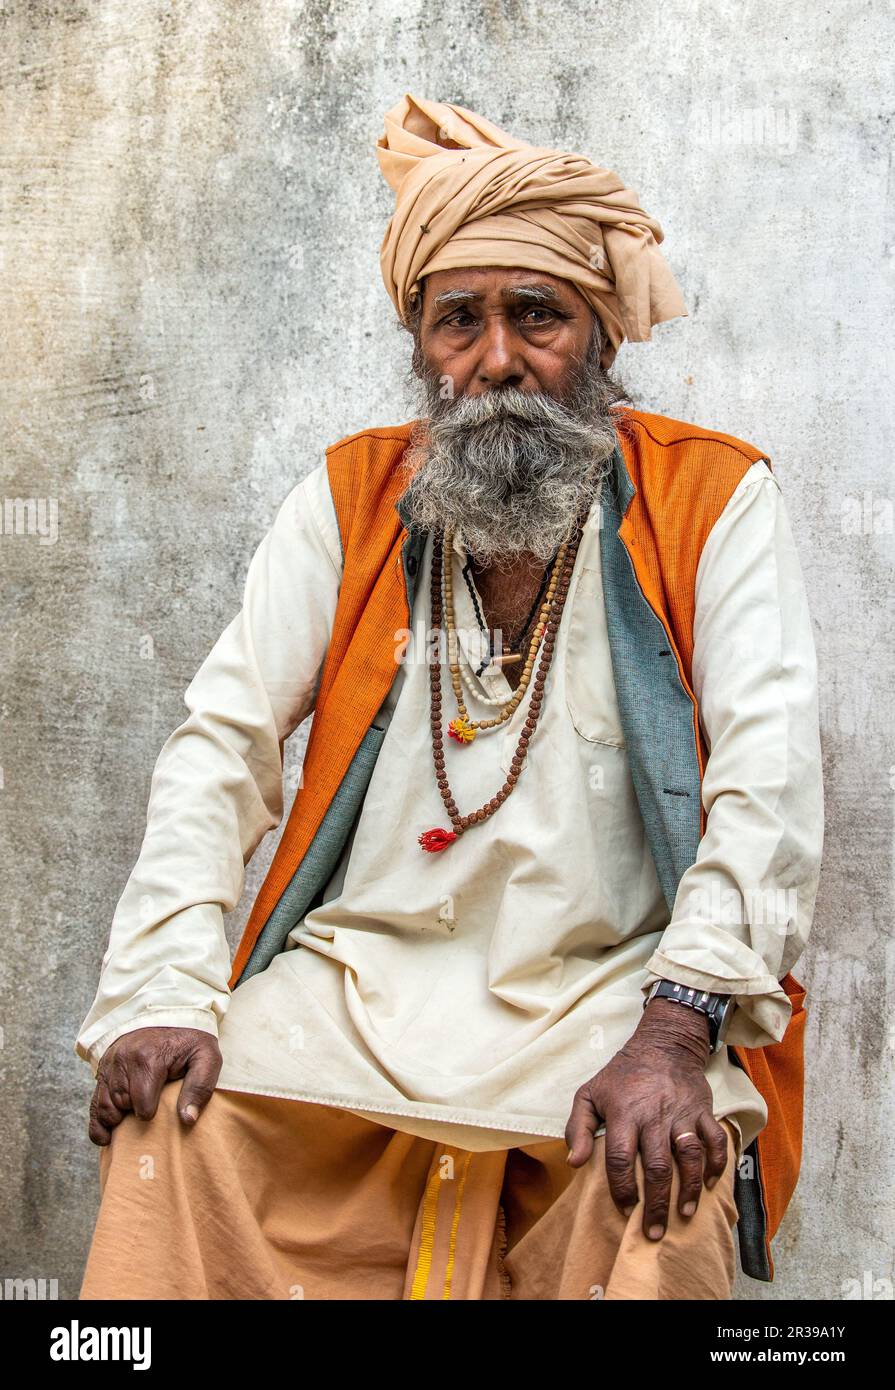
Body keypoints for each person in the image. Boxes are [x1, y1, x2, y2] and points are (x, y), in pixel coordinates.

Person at [75, 94, 824, 1301]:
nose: (495, 363)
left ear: (601, 338)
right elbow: (220, 747)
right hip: (352, 993)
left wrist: (679, 1028)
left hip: (606, 1000)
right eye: (455, 322)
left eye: (537, 317)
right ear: (418, 341)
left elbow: (768, 783)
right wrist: (162, 992)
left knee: (657, 1183)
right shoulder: (350, 496)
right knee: (173, 1128)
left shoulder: (714, 501)